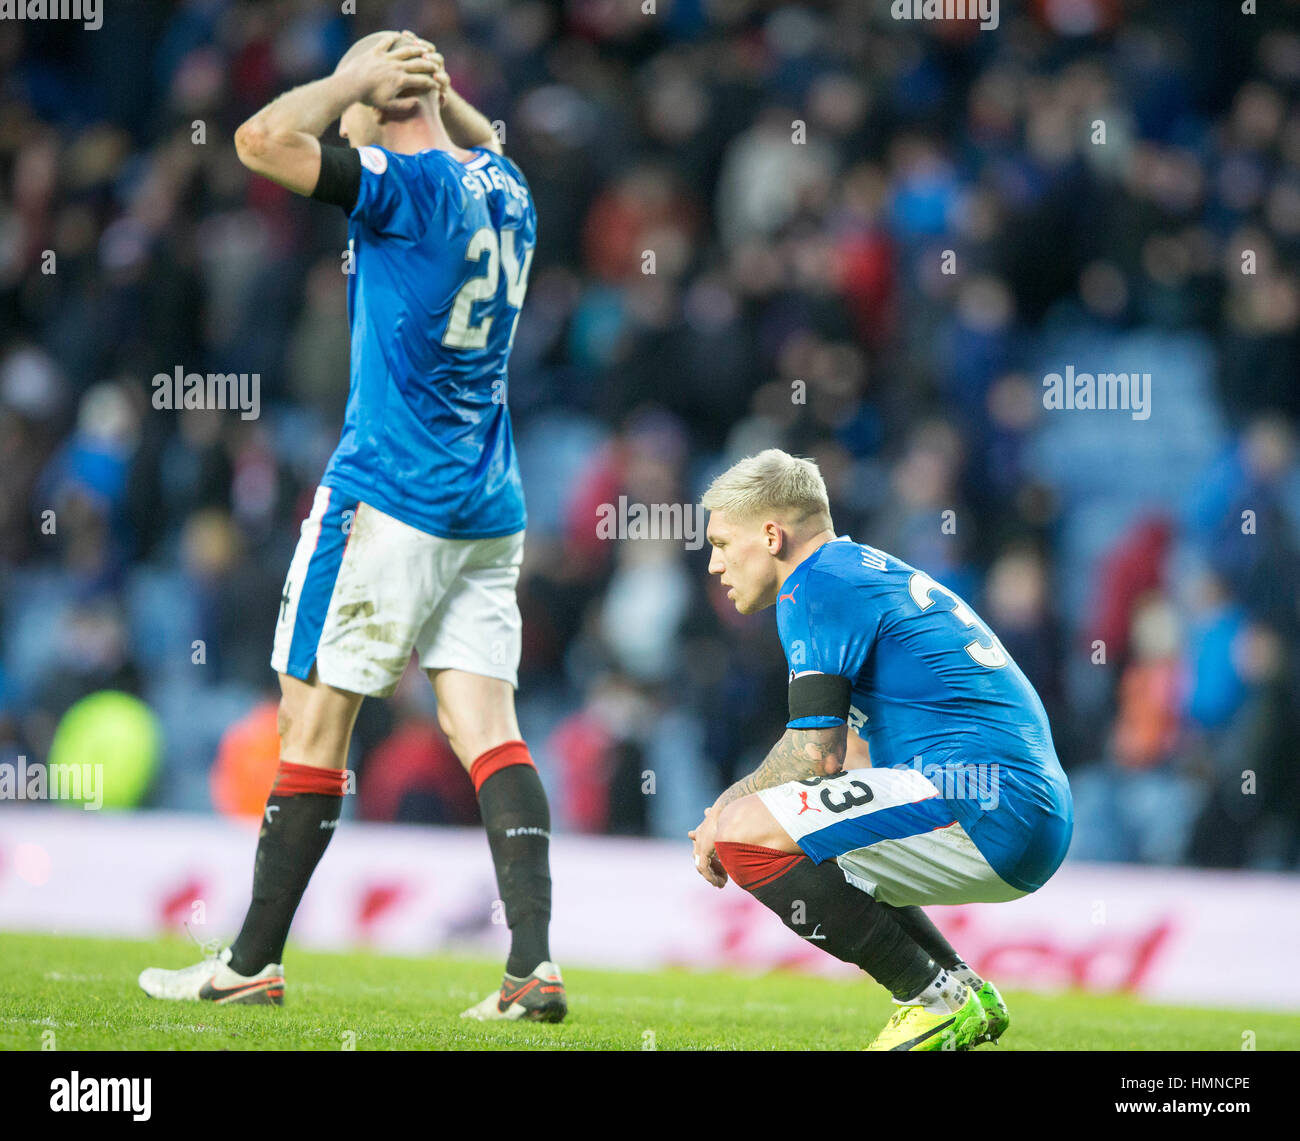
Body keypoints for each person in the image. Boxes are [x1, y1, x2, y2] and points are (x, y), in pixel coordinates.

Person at [138, 30, 564, 1022]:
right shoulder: (507, 188)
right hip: (488, 502)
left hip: (387, 495)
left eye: (357, 109)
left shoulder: (397, 186)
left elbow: (255, 137)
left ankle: (250, 961)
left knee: (311, 724)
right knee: (490, 731)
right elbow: (480, 141)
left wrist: (348, 80)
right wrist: (440, 94)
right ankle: (532, 967)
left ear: (381, 106)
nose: (341, 121)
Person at [690, 449, 1073, 1050]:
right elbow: (852, 757)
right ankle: (961, 989)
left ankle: (929, 1000)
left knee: (744, 832)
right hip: (1024, 805)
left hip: (988, 799)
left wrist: (722, 811)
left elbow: (813, 755)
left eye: (719, 542)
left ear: (770, 535)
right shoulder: (860, 570)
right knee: (811, 835)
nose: (713, 564)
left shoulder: (813, 586)